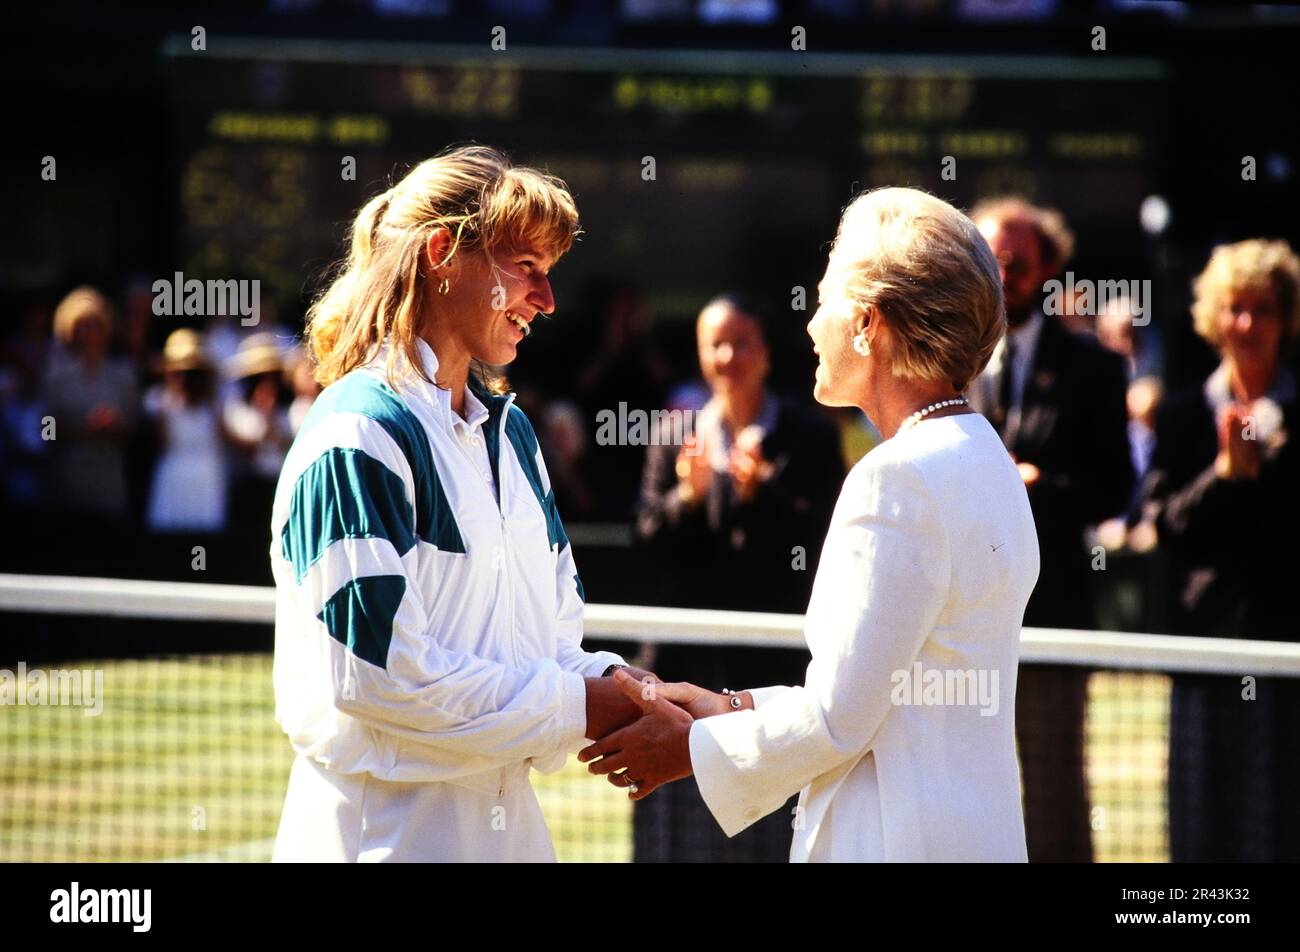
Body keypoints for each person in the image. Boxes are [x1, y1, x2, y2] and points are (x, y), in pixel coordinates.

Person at [580, 187, 1039, 862]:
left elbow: (835, 721)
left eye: (823, 299)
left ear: (867, 323)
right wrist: (718, 705)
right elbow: (862, 697)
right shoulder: (984, 454)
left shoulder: (897, 478)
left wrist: (685, 746)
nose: (809, 324)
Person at [270, 145, 652, 862]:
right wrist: (580, 706)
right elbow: (380, 680)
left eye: (550, 274)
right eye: (528, 269)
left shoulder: (515, 440)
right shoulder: (355, 433)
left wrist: (622, 686)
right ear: (444, 254)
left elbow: (547, 650)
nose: (547, 300)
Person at [633, 293, 844, 862]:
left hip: (768, 672)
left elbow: (820, 540)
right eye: (715, 345)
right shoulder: (675, 432)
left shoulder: (810, 434)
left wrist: (761, 494)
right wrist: (689, 496)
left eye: (741, 342)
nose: (729, 357)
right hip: (685, 667)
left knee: (768, 836)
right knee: (677, 837)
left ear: (767, 353)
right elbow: (650, 537)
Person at [965, 197, 1134, 862]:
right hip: (960, 616)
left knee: (1051, 781)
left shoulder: (1093, 366)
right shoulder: (948, 358)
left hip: (1052, 609)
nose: (1004, 275)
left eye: (1018, 261)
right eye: (990, 259)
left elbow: (1119, 489)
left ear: (1048, 267)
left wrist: (1035, 486)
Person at [1140, 238, 1300, 861]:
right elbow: (1165, 524)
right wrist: (1224, 477)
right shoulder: (1181, 415)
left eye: (1264, 309)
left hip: (1287, 654)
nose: (1248, 324)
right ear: (1214, 316)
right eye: (1236, 308)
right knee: (1205, 828)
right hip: (1204, 650)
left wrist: (1268, 464)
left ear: (1284, 319)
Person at [144, 329, 229, 533]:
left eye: (191, 372)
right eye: (179, 372)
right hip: (173, 475)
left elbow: (224, 437)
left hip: (207, 476)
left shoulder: (214, 405)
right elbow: (159, 442)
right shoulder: (159, 401)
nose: (185, 378)